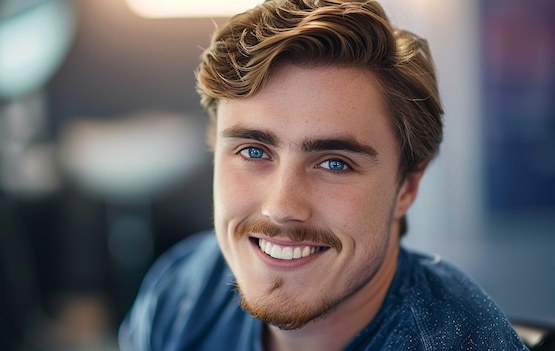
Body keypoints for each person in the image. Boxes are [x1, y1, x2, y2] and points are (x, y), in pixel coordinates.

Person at [119, 0, 529, 350]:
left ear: (407, 187)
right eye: (253, 151)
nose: (281, 207)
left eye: (335, 163)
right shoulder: (181, 292)